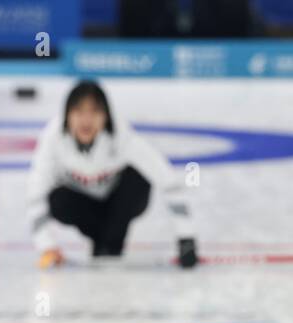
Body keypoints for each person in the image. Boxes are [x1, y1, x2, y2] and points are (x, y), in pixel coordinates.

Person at [28, 79, 197, 269]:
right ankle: (106, 241)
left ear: (106, 115)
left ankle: (108, 242)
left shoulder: (122, 137)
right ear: (67, 115)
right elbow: (36, 194)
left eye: (94, 112)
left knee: (137, 179)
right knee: (57, 199)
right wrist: (46, 245)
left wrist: (186, 238)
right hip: (83, 206)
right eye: (79, 112)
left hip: (120, 202)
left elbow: (167, 180)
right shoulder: (53, 139)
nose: (86, 120)